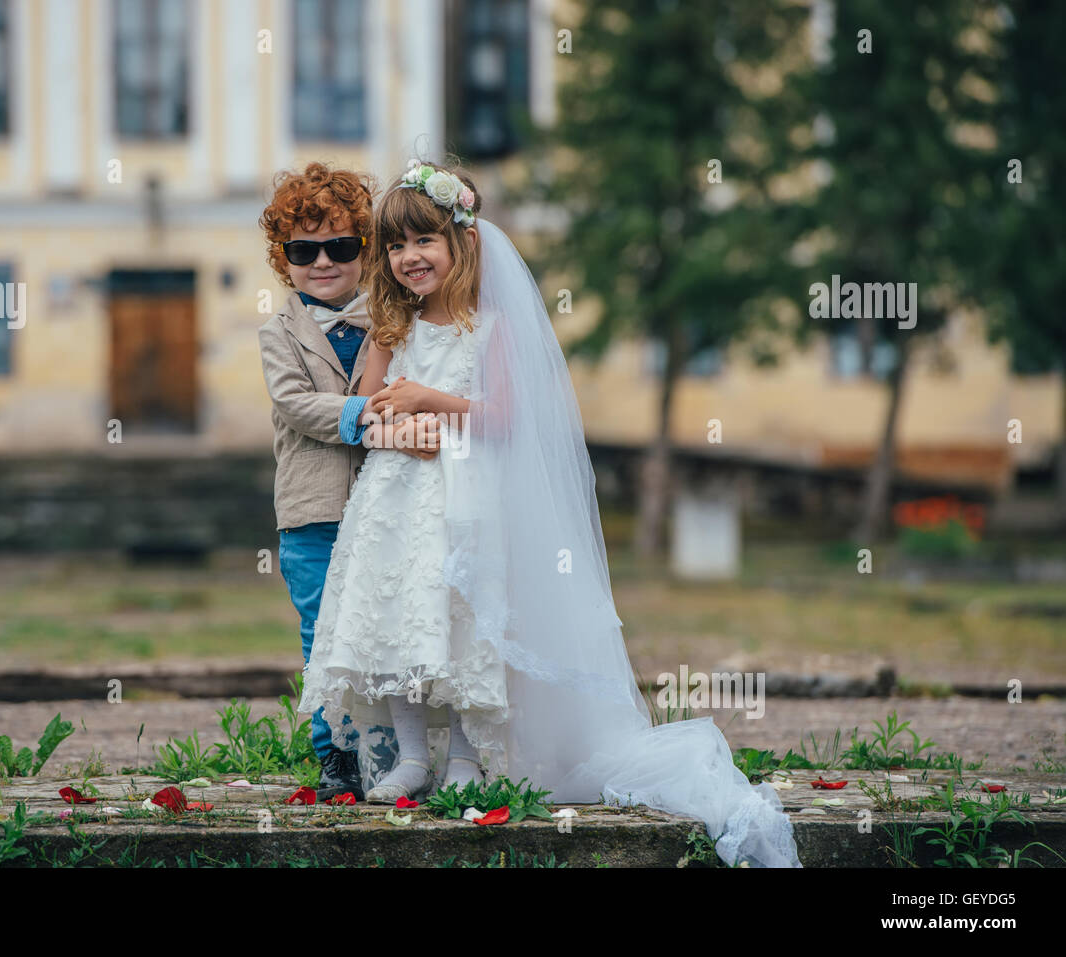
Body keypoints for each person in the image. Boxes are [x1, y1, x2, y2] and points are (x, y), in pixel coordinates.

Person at [299, 160, 802, 867]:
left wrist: (430, 403)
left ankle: (469, 756)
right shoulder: (393, 325)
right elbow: (372, 406)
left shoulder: (490, 326)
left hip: (467, 496)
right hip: (395, 496)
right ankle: (412, 755)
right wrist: (398, 421)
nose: (408, 258)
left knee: (465, 620)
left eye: (423, 242)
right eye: (395, 246)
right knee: (397, 623)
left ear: (461, 241)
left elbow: (503, 418)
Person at [256, 162, 414, 801]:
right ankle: (335, 756)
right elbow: (295, 403)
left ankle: (398, 750)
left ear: (365, 250)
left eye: (341, 247)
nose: (323, 262)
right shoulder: (278, 333)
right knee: (324, 635)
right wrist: (365, 412)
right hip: (313, 511)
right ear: (283, 258)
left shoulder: (393, 318)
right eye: (304, 250)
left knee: (389, 626)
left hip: (385, 505)